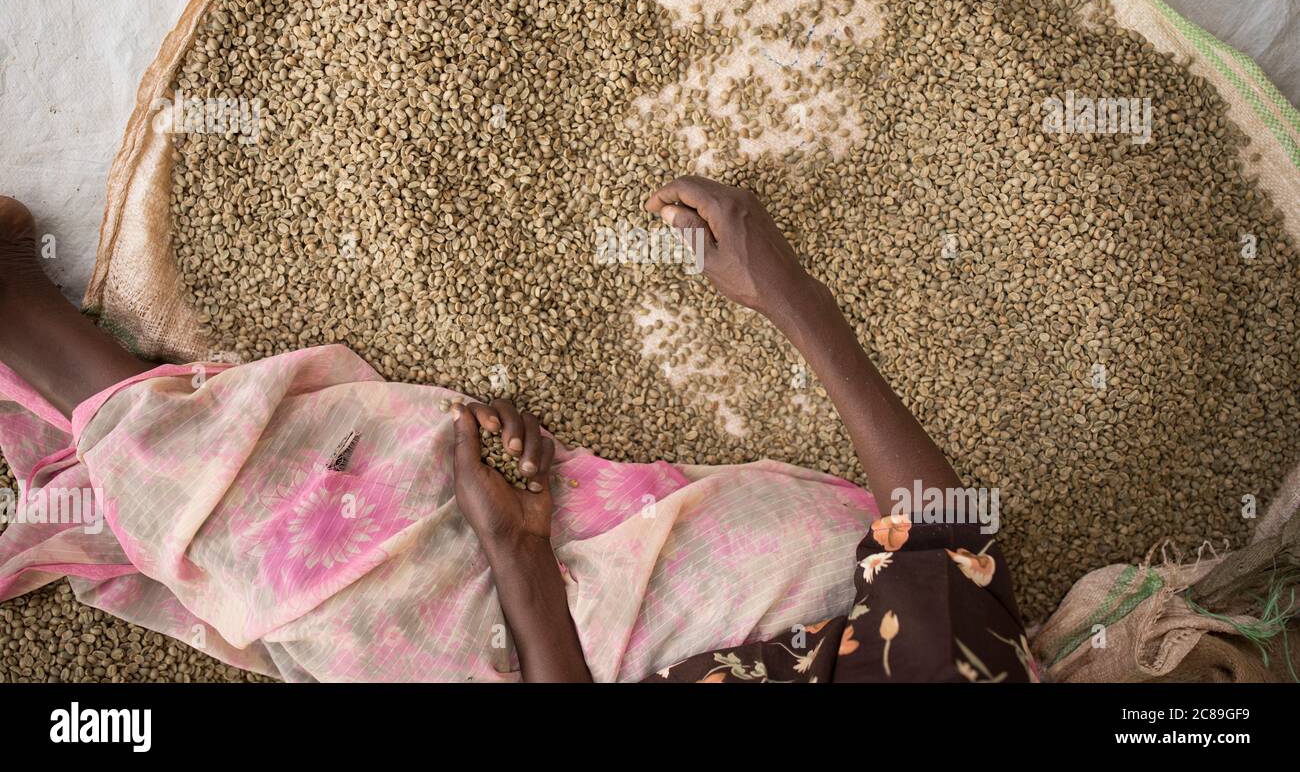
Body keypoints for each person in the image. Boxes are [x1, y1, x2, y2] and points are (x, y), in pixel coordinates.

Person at [0, 178, 1033, 682]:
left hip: (575, 658)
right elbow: (945, 543)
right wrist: (789, 294)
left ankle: (37, 337)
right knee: (404, 485)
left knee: (335, 565)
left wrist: (519, 553)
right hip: (773, 585)